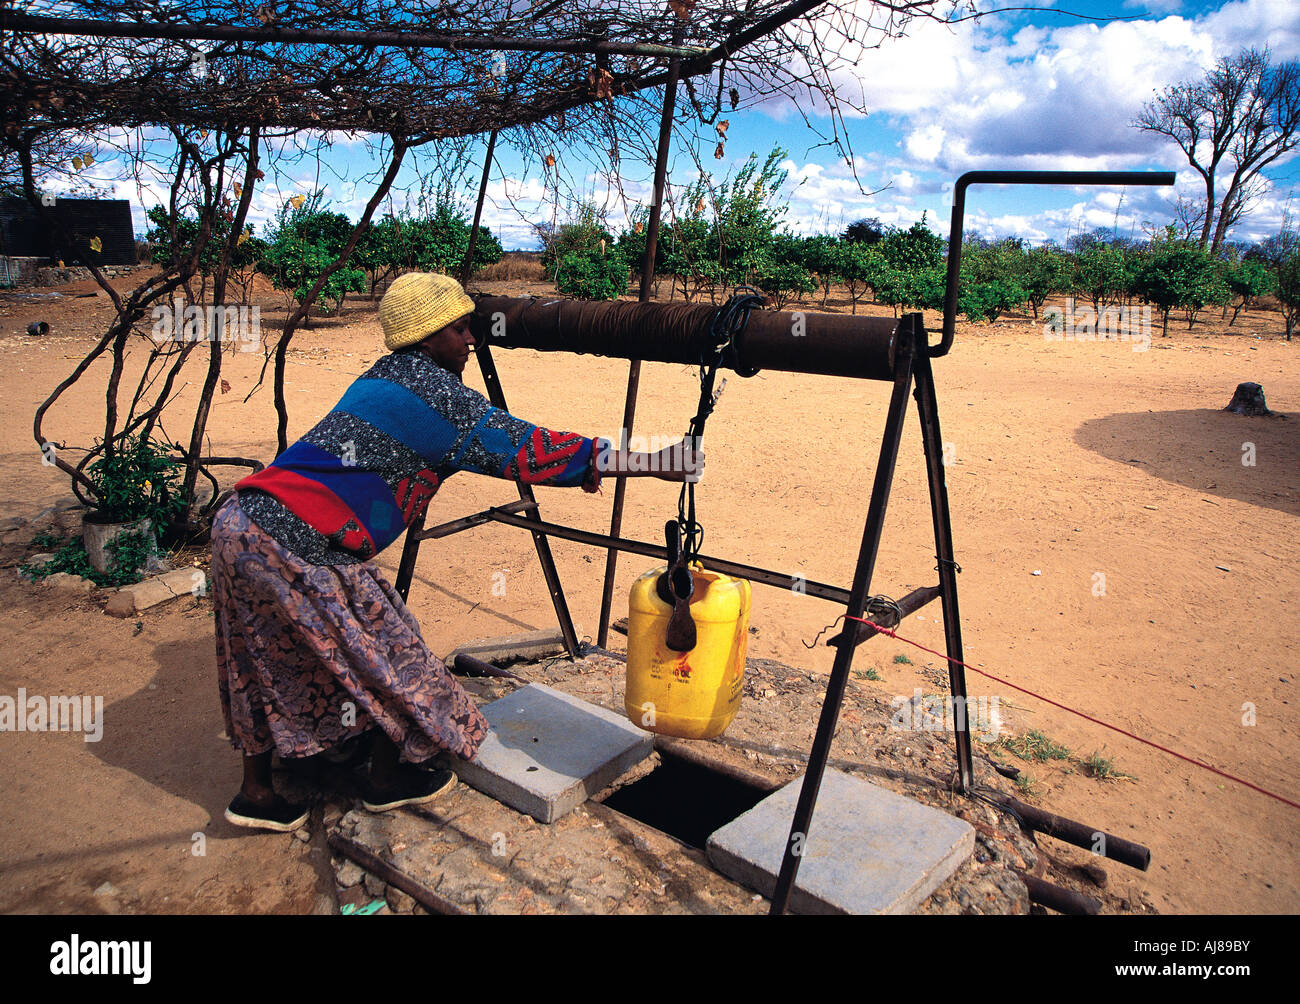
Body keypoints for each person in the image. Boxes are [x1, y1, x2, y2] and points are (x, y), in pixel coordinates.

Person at [211, 272, 703, 832]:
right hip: (299, 543)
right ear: (428, 336)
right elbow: (533, 449)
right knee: (392, 659)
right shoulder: (439, 399)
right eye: (461, 328)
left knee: (254, 656)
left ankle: (257, 793)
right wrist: (657, 462)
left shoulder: (382, 377)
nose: (473, 339)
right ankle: (386, 780)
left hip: (240, 523)